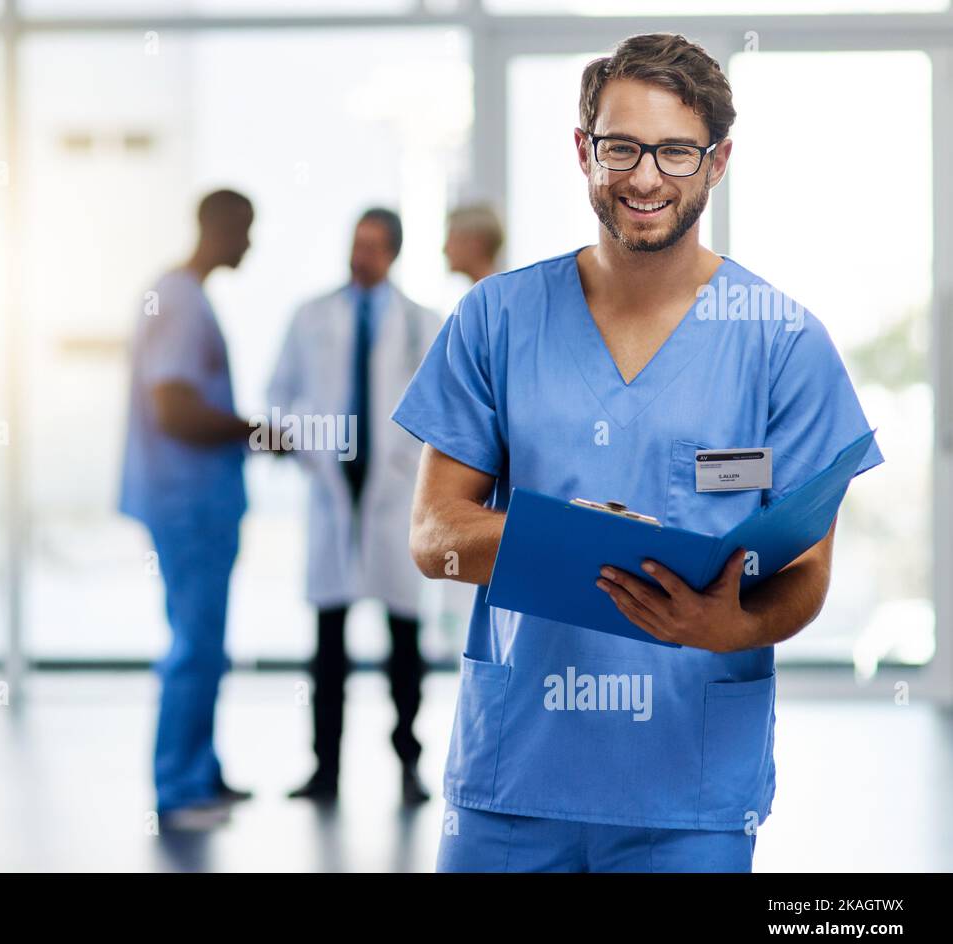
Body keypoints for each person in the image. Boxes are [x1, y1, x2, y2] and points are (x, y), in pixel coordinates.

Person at [392, 33, 883, 871]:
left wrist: (735, 623)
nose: (646, 177)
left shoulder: (783, 342)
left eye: (676, 151)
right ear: (584, 150)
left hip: (689, 790)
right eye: (621, 146)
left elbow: (808, 568)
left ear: (718, 162)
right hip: (515, 778)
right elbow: (434, 535)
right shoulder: (496, 320)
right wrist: (563, 537)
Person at [269, 208, 439, 806]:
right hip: (331, 491)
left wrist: (406, 462)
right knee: (330, 646)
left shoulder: (422, 323)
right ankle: (324, 771)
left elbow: (439, 413)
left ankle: (408, 764)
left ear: (392, 253)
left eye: (371, 247)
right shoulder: (310, 316)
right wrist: (300, 445)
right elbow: (279, 397)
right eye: (355, 244)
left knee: (403, 645)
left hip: (396, 499)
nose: (359, 256)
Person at [119, 188, 260, 832]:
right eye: (247, 231)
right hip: (188, 502)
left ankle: (200, 770)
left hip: (192, 499)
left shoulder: (184, 295)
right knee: (194, 646)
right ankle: (178, 789)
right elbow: (174, 409)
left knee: (206, 643)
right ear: (222, 227)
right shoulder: (177, 300)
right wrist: (256, 432)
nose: (251, 244)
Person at [443, 203, 505, 283]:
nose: (445, 249)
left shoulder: (494, 293)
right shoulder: (498, 291)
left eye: (451, 239)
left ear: (475, 244)